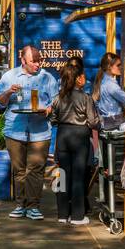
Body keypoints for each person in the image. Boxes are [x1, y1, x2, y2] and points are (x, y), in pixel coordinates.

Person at [0, 45, 59, 220]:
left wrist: (49, 108)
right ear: (23, 60)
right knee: (19, 170)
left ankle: (34, 206)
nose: (37, 64)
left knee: (36, 169)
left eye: (39, 61)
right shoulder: (9, 76)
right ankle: (20, 204)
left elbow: (57, 101)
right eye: (33, 61)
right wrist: (8, 92)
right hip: (15, 130)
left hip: (40, 131)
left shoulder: (47, 78)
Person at [50, 64, 100, 225]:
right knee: (78, 176)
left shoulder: (58, 97)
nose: (85, 79)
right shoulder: (86, 98)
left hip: (63, 136)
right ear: (78, 79)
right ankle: (78, 216)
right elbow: (93, 122)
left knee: (63, 176)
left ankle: (62, 214)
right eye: (83, 76)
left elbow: (53, 119)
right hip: (80, 137)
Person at [92, 52, 125, 132]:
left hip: (106, 123)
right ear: (109, 67)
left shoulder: (102, 80)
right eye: (118, 65)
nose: (121, 67)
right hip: (114, 124)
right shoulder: (110, 84)